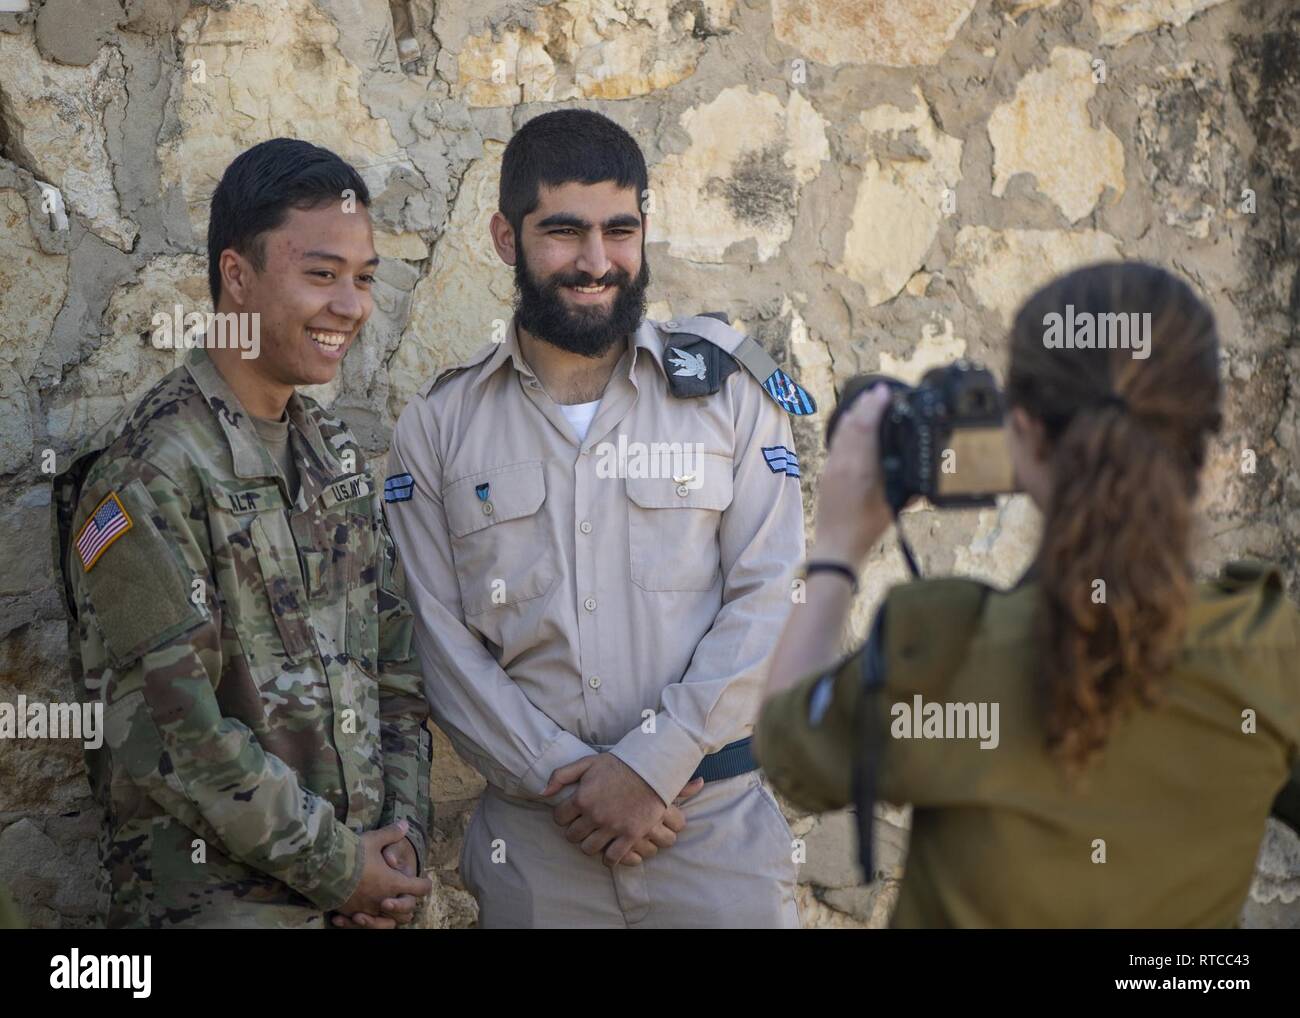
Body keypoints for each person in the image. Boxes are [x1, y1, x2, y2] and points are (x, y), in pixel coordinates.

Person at [754, 261, 1300, 928]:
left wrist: (840, 543)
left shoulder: (944, 646)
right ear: (1203, 432)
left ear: (1027, 431)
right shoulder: (1268, 649)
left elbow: (786, 745)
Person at [386, 109, 812, 928]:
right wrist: (578, 782)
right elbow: (438, 645)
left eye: (621, 230)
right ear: (506, 239)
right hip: (540, 852)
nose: (595, 262)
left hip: (710, 837)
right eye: (563, 232)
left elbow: (769, 594)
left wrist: (650, 766)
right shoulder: (439, 425)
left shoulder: (728, 392)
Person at [52, 139, 433, 929]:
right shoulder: (149, 471)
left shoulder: (331, 454)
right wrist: (337, 868)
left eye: (363, 279)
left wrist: (400, 849)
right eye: (321, 275)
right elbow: (170, 730)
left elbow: (394, 667)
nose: (352, 306)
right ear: (236, 276)